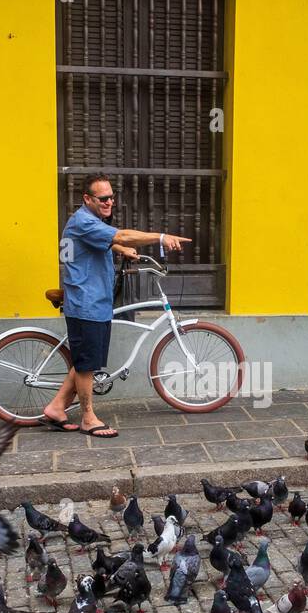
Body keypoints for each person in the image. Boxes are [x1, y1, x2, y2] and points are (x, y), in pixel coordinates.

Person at [41, 174, 191, 438]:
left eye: (111, 196)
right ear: (87, 199)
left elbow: (104, 242)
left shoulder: (87, 222)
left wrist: (120, 250)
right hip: (86, 302)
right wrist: (160, 237)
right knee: (87, 365)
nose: (110, 201)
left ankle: (56, 408)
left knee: (85, 360)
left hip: (94, 300)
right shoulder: (84, 221)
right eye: (103, 198)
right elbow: (120, 234)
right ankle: (88, 417)